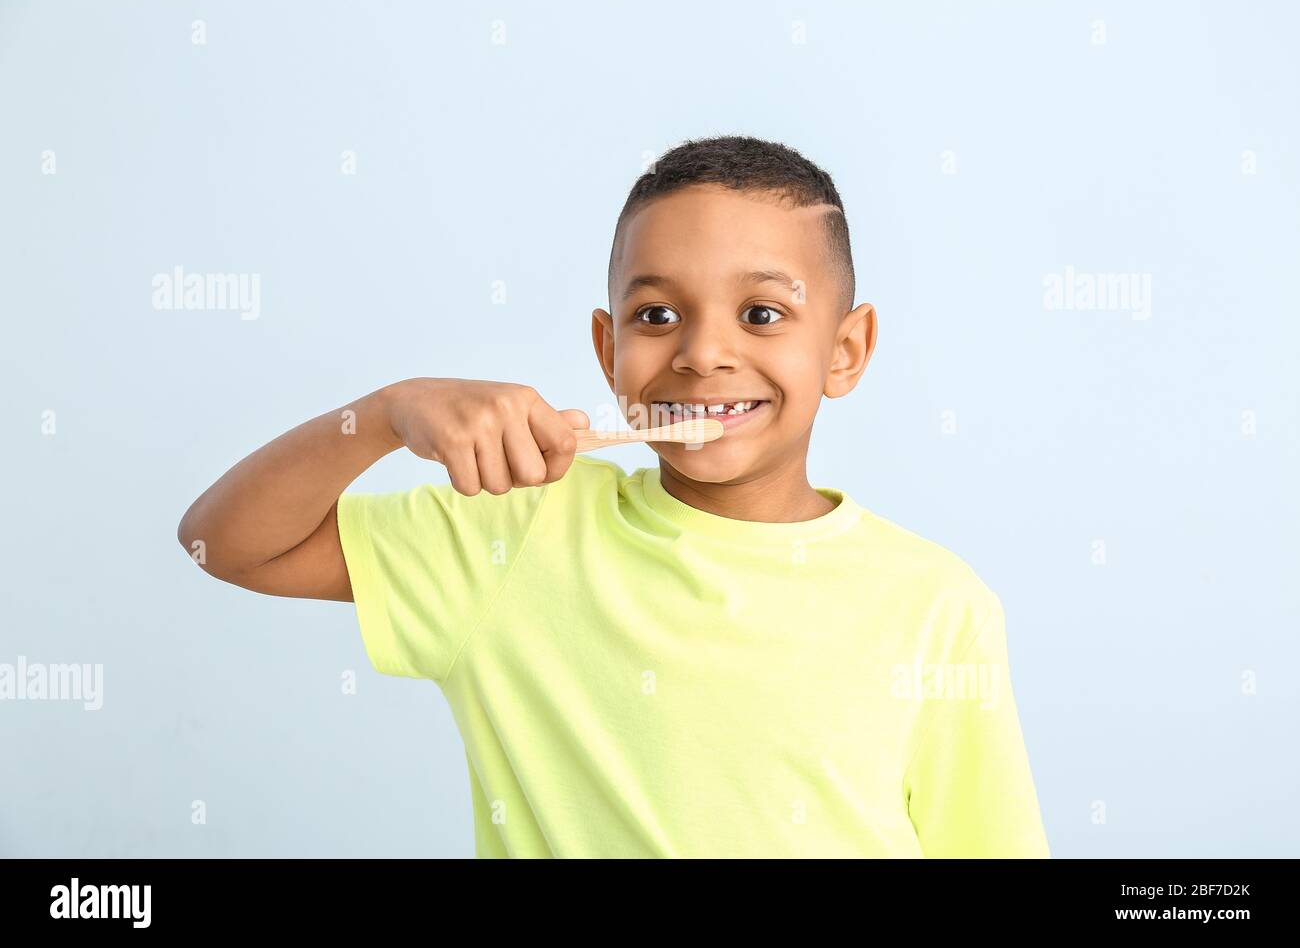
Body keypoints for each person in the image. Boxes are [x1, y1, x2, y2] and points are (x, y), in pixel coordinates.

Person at [178, 135, 1050, 858]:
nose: (702, 355)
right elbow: (226, 543)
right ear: (607, 348)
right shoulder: (514, 535)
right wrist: (384, 414)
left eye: (762, 315)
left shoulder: (939, 606)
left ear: (846, 350)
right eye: (657, 316)